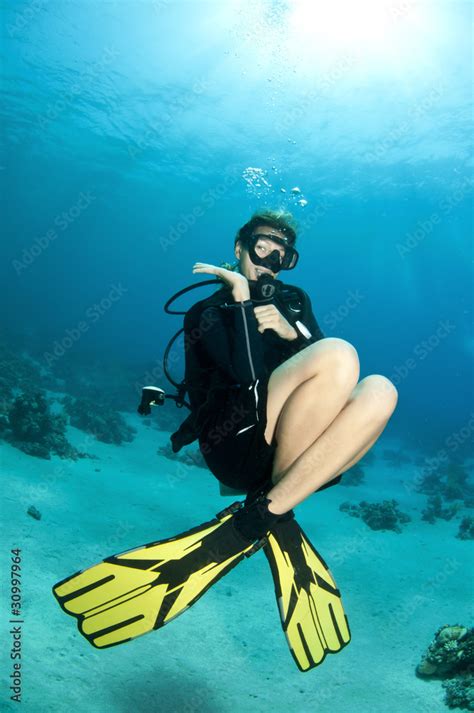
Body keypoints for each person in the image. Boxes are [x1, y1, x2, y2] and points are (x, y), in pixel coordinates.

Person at [52, 210, 398, 672]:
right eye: (262, 248)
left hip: (296, 455)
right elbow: (245, 381)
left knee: (381, 388)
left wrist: (290, 330)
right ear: (239, 247)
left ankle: (265, 512)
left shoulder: (294, 301)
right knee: (341, 353)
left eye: (284, 255)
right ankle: (270, 508)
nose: (272, 261)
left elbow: (325, 380)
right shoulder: (207, 311)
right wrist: (242, 303)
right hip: (235, 445)